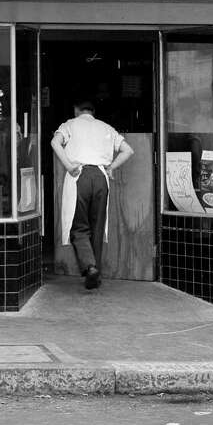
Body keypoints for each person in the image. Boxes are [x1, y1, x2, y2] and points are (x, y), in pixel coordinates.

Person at [51, 100, 133, 291]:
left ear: (76, 110)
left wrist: (69, 165)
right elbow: (128, 150)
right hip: (100, 177)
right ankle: (96, 272)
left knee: (78, 226)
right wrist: (111, 167)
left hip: (80, 175)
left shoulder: (69, 124)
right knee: (97, 226)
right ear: (93, 112)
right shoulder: (106, 127)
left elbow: (55, 142)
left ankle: (90, 267)